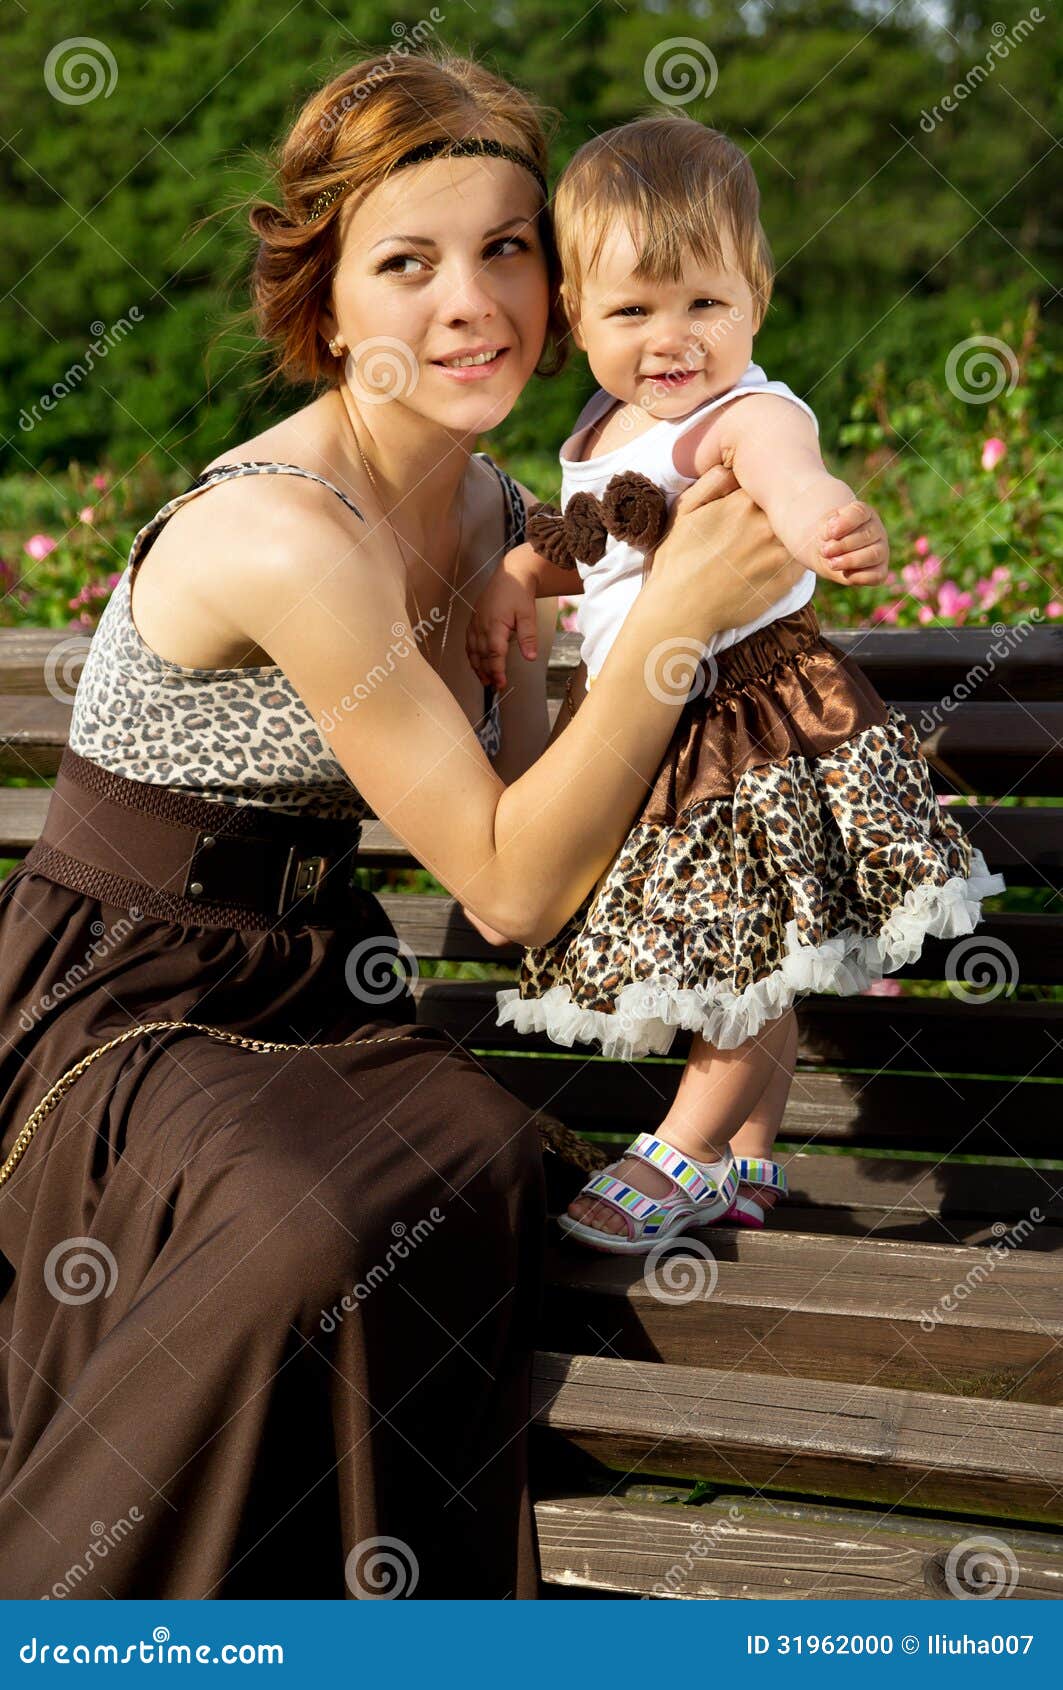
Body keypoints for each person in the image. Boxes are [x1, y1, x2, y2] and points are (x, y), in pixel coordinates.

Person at [0, 58, 805, 1597]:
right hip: (117, 1008)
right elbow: (507, 886)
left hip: (316, 985)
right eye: (406, 261)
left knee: (478, 1156)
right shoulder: (286, 533)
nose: (470, 303)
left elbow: (561, 822)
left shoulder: (505, 512)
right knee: (313, 1226)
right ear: (328, 303)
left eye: (507, 248)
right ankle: (71, 1608)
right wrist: (669, 629)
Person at [466, 117, 1004, 1254]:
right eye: (631, 312)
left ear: (753, 298)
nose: (672, 340)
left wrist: (821, 520)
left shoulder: (743, 414)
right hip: (660, 722)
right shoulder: (606, 428)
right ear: (575, 318)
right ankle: (750, 1153)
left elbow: (785, 468)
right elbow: (600, 541)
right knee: (754, 944)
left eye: (703, 304)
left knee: (746, 951)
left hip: (747, 722)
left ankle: (686, 1143)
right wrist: (524, 565)